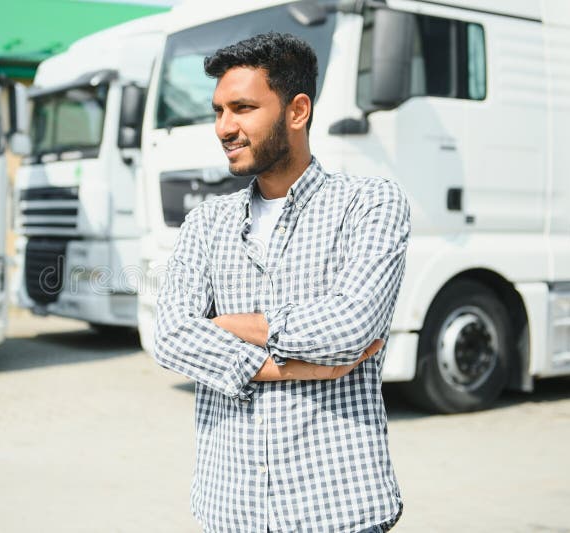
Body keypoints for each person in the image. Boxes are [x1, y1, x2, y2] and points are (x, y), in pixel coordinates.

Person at [153, 32, 410, 532]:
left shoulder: (370, 204)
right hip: (232, 509)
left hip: (338, 510)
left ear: (297, 111)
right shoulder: (206, 222)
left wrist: (229, 325)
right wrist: (295, 369)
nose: (224, 127)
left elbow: (350, 327)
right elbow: (170, 336)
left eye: (243, 108)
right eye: (218, 111)